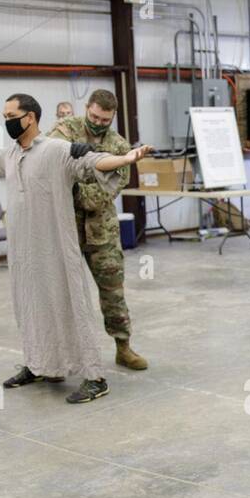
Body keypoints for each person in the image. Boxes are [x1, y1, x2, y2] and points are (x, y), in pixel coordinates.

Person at [0, 93, 151, 404]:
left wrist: (128, 158)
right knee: (31, 304)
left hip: (68, 238)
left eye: (11, 115)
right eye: (4, 115)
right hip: (26, 249)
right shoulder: (13, 153)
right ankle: (39, 364)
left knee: (75, 301)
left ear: (29, 117)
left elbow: (94, 161)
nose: (6, 121)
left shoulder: (56, 149)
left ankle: (95, 374)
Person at [49, 89, 148, 370]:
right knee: (62, 294)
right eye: (94, 116)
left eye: (105, 119)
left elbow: (105, 192)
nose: (98, 122)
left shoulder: (120, 148)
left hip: (101, 232)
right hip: (64, 228)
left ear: (112, 117)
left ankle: (123, 347)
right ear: (87, 108)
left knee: (113, 291)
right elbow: (48, 160)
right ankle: (62, 355)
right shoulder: (66, 130)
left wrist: (75, 187)